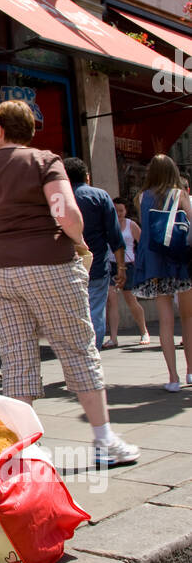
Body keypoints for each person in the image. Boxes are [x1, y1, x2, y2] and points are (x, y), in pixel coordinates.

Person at [0, 99, 139, 466]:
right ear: (29, 132)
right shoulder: (45, 161)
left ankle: (24, 450)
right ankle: (104, 440)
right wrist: (77, 240)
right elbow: (66, 212)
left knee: (15, 359)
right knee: (77, 349)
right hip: (49, 264)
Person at [132, 154, 192, 391]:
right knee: (187, 318)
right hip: (179, 260)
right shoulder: (180, 194)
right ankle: (190, 372)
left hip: (155, 263)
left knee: (165, 321)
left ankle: (173, 378)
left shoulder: (141, 197)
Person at [63, 157, 126, 352]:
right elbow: (114, 235)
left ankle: (76, 356)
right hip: (96, 265)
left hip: (66, 265)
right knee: (95, 312)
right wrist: (121, 267)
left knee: (70, 315)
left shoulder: (58, 198)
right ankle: (92, 354)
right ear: (87, 177)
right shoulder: (100, 196)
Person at [104, 198, 150, 348]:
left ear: (126, 211)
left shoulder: (131, 225)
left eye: (121, 211)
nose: (118, 214)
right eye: (115, 211)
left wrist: (142, 263)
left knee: (131, 299)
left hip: (129, 265)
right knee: (112, 301)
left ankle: (144, 331)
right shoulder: (107, 224)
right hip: (111, 264)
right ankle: (113, 337)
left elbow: (142, 243)